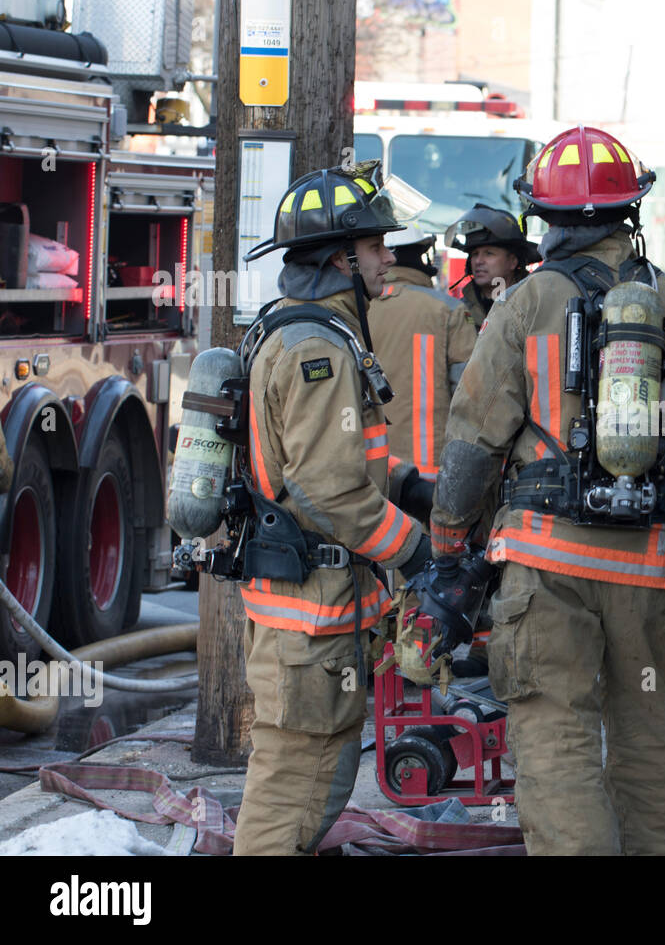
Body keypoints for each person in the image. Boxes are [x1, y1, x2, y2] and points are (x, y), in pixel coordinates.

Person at [425, 126, 665, 855]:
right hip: (659, 573)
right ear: (631, 213)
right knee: (653, 747)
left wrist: (447, 543)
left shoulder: (526, 304)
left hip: (551, 567)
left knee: (558, 745)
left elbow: (474, 440)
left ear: (544, 218)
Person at [234, 163, 438, 855]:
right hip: (309, 625)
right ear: (338, 258)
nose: (389, 259)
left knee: (312, 784)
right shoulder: (317, 349)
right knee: (292, 792)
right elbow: (329, 489)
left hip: (315, 621)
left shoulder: (313, 331)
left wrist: (410, 486)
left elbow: (343, 466)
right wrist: (415, 548)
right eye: (376, 247)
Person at [369, 227, 478, 481]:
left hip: (371, 469)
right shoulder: (448, 310)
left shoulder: (356, 309)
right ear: (421, 256)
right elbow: (470, 395)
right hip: (427, 473)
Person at [443, 204, 540, 330]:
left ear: (512, 262)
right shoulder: (459, 313)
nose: (478, 261)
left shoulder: (535, 307)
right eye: (474, 254)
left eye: (489, 253)